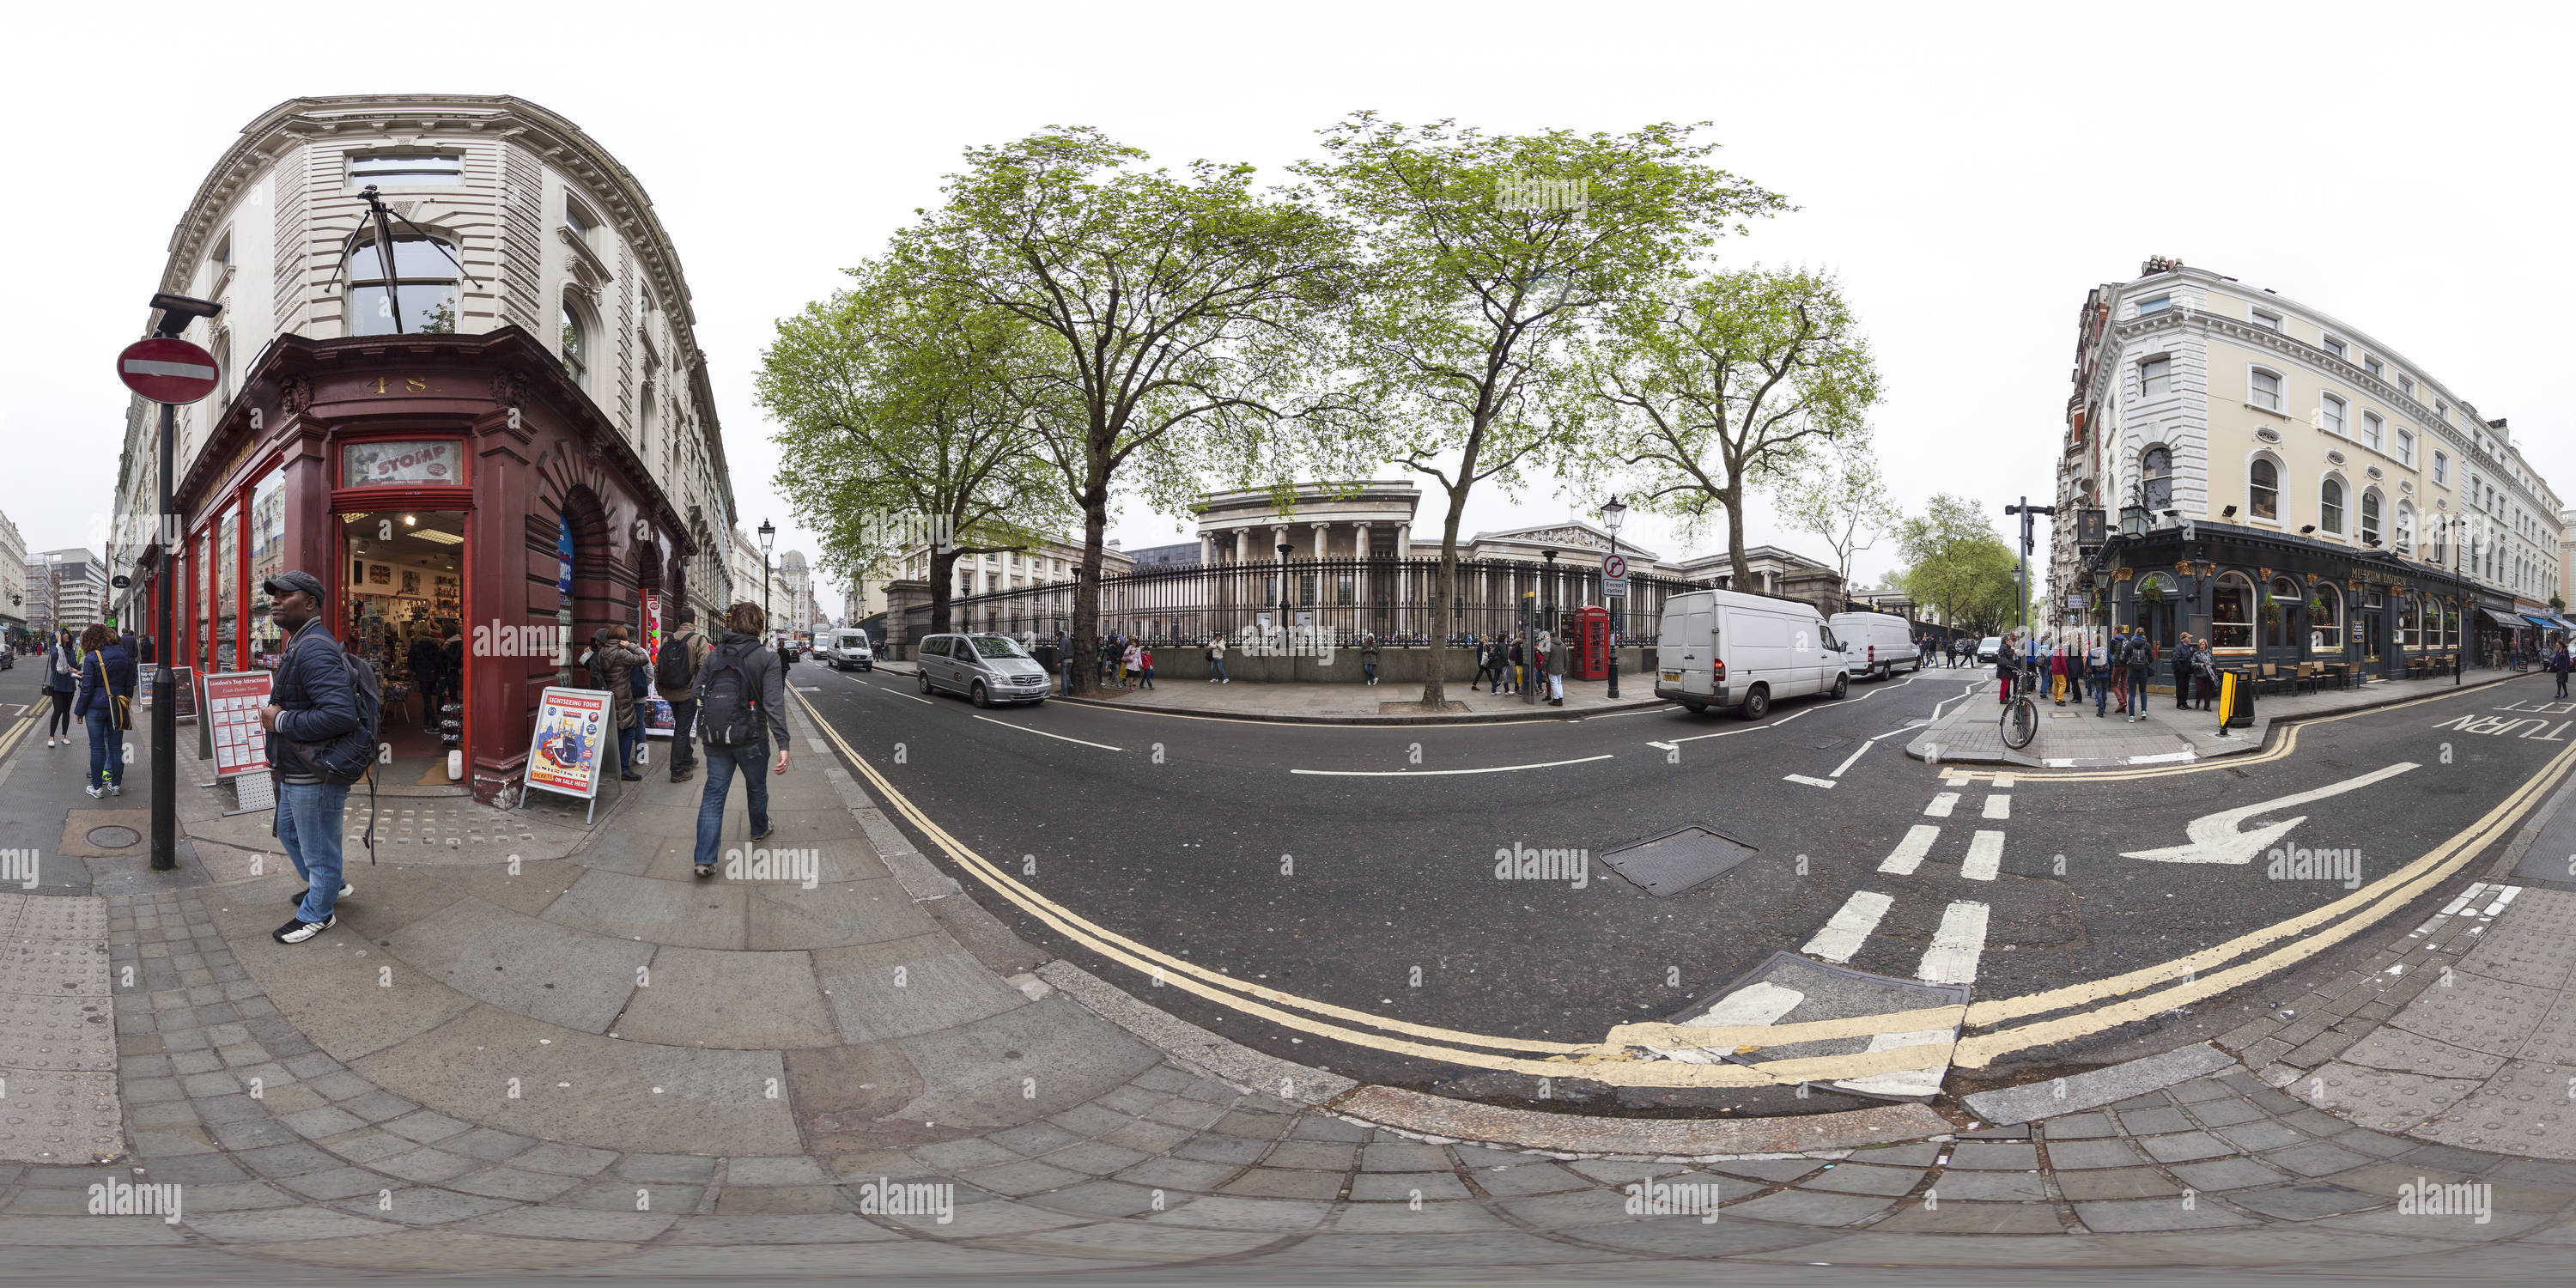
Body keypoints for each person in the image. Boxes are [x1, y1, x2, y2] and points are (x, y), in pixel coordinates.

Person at [259, 570, 366, 944]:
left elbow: (339, 715)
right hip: (297, 766)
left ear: (310, 604)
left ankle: (319, 913)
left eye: (285, 595)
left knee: (318, 845)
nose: (275, 600)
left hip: (315, 770)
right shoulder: (300, 643)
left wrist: (281, 719)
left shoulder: (315, 647)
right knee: (290, 832)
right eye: (273, 594)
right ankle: (330, 886)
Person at [691, 602, 790, 879]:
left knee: (713, 795)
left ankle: (704, 860)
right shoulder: (766, 657)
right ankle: (759, 829)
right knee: (756, 788)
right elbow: (773, 704)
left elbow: (695, 692)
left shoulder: (714, 655)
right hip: (752, 736)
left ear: (732, 623)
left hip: (716, 737)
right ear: (759, 625)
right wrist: (783, 744)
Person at [72, 624, 135, 798]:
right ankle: (115, 786)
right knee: (116, 748)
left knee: (97, 748)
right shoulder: (125, 656)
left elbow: (86, 689)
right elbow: (130, 684)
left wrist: (79, 711)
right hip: (118, 707)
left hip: (95, 708)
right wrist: (125, 702)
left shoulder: (92, 657)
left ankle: (97, 788)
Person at [656, 606, 713, 784]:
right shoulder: (699, 640)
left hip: (669, 692)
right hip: (688, 694)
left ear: (678, 622)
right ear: (694, 622)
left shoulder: (667, 639)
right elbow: (706, 669)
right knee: (682, 730)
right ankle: (677, 770)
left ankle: (687, 758)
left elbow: (658, 666)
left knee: (682, 727)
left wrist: (660, 690)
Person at [593, 626, 653, 782]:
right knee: (628, 732)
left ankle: (610, 765)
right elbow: (643, 659)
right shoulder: (622, 654)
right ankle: (623, 768)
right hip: (623, 699)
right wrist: (631, 646)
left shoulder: (601, 653)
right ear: (622, 639)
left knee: (615, 734)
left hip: (608, 697)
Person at [44, 628, 78, 747]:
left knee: (67, 712)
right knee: (57, 710)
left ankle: (64, 736)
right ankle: (51, 737)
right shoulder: (54, 649)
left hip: (69, 685)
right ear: (58, 637)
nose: (67, 635)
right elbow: (55, 655)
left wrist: (84, 666)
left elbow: (74, 665)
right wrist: (58, 641)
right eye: (64, 634)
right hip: (58, 685)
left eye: (67, 634)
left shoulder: (70, 650)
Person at [405, 626, 444, 727]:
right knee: (429, 697)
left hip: (422, 672)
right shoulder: (434, 643)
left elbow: (411, 659)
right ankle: (426, 722)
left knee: (426, 699)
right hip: (433, 673)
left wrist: (414, 670)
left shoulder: (415, 643)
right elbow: (438, 659)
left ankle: (435, 723)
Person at [2123, 626, 2156, 722]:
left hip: (2132, 671)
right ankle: (2143, 711)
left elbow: (2124, 659)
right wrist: (2145, 664)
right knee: (2143, 691)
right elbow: (2151, 659)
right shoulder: (2147, 645)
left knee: (2132, 693)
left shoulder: (2129, 644)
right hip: (2143, 671)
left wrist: (2129, 663)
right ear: (2143, 634)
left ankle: (2131, 717)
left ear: (2135, 634)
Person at [2087, 629, 2111, 717]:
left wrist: (2093, 673)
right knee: (2104, 691)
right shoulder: (2106, 650)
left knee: (2099, 692)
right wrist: (2110, 671)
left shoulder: (2092, 651)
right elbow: (2111, 660)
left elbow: (2091, 664)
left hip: (2097, 674)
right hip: (2106, 673)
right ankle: (2103, 707)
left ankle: (2100, 710)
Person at [2172, 635, 2197, 711]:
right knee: (2180, 688)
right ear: (2185, 639)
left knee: (2186, 687)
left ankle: (2184, 703)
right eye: (2189, 638)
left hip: (2187, 670)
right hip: (2180, 672)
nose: (2190, 639)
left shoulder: (2189, 647)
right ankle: (2179, 704)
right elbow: (2175, 660)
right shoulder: (2178, 648)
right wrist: (2181, 669)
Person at [1546, 629, 1566, 705]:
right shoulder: (1563, 645)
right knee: (1559, 683)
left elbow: (1546, 659)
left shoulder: (1549, 645)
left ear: (1551, 637)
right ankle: (1560, 699)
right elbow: (1566, 659)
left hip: (1552, 668)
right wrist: (1565, 668)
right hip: (1561, 667)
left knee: (1554, 683)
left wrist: (1544, 669)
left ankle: (1556, 699)